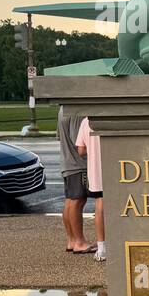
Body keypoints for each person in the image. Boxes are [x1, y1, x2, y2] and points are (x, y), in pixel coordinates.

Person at [57, 106, 93, 254]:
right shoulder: (78, 111)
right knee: (78, 200)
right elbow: (80, 143)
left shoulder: (63, 109)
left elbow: (60, 136)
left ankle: (72, 240)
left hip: (67, 162)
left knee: (71, 200)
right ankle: (79, 241)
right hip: (78, 164)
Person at [75, 116, 106, 262]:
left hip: (96, 171)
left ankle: (102, 247)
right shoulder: (113, 116)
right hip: (116, 167)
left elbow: (81, 150)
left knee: (100, 207)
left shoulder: (86, 121)